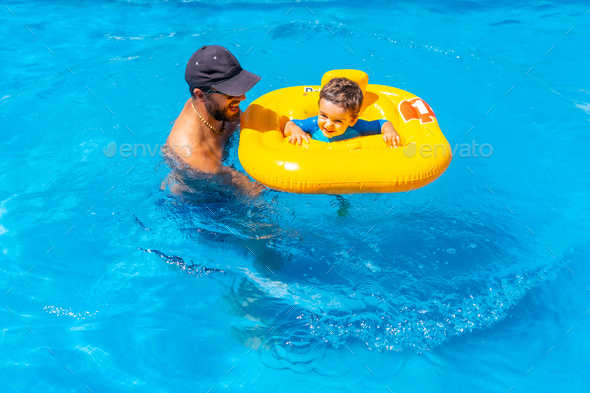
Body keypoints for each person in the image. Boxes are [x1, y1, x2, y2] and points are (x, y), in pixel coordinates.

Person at [166, 45, 264, 194]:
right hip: (197, 200)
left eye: (239, 88)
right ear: (200, 95)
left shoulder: (219, 107)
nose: (242, 97)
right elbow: (253, 191)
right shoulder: (194, 153)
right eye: (230, 92)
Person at [283, 77, 401, 147]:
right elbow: (289, 124)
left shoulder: (359, 126)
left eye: (337, 120)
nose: (328, 124)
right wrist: (296, 131)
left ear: (352, 120)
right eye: (324, 115)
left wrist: (390, 131)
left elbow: (382, 123)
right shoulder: (314, 124)